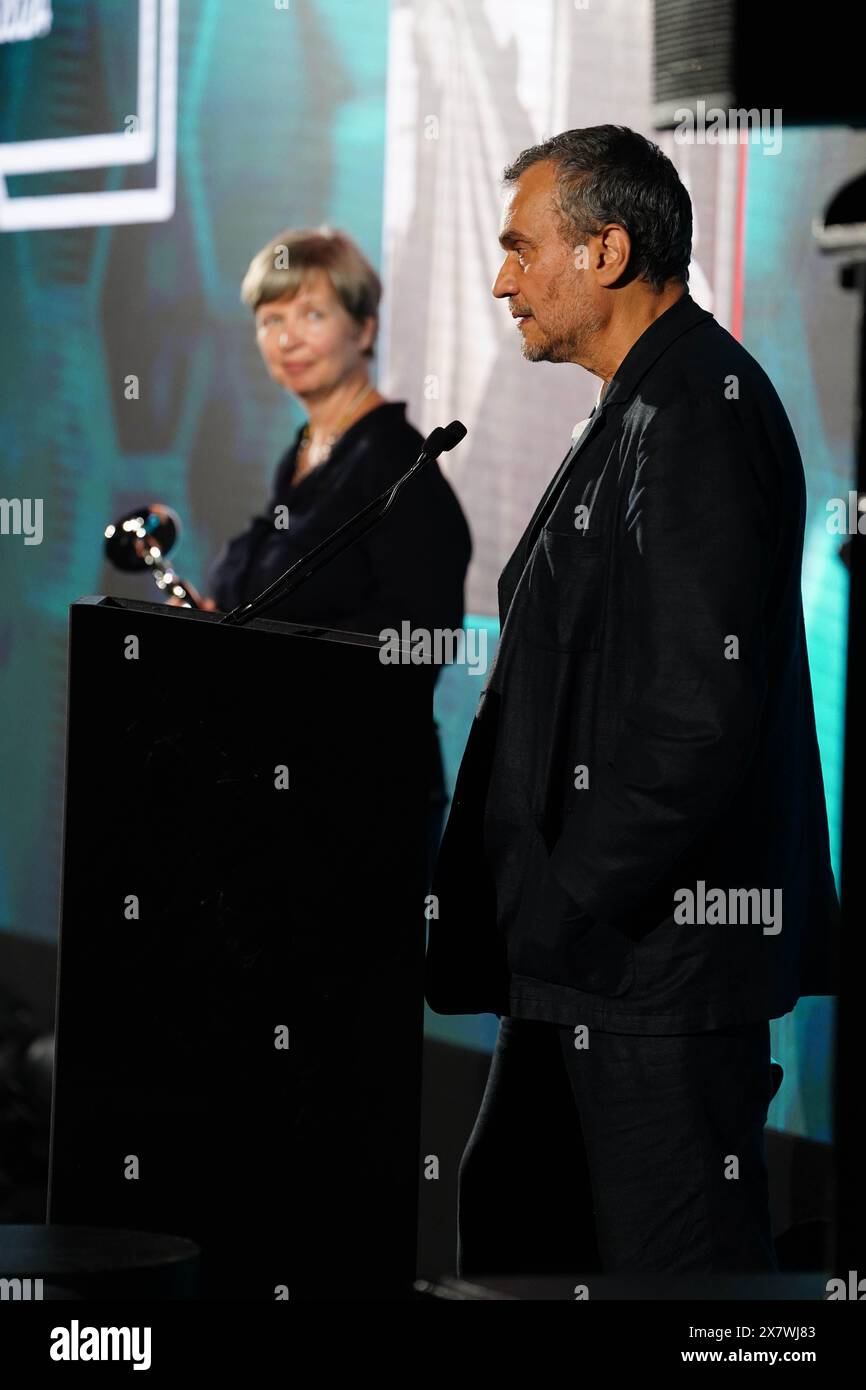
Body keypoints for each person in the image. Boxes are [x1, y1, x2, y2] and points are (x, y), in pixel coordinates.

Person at [424, 125, 839, 1278]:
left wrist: (568, 898)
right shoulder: (642, 404)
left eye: (520, 247)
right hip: (590, 969)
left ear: (603, 250)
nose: (501, 279)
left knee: (682, 1288)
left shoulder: (695, 413)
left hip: (645, 977)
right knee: (521, 1243)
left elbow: (694, 715)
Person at [179, 226, 472, 882]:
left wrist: (256, 652)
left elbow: (418, 641)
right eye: (270, 319)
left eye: (312, 314)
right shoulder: (301, 453)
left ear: (364, 330)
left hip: (359, 804)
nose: (286, 339)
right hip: (273, 788)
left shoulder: (398, 464)